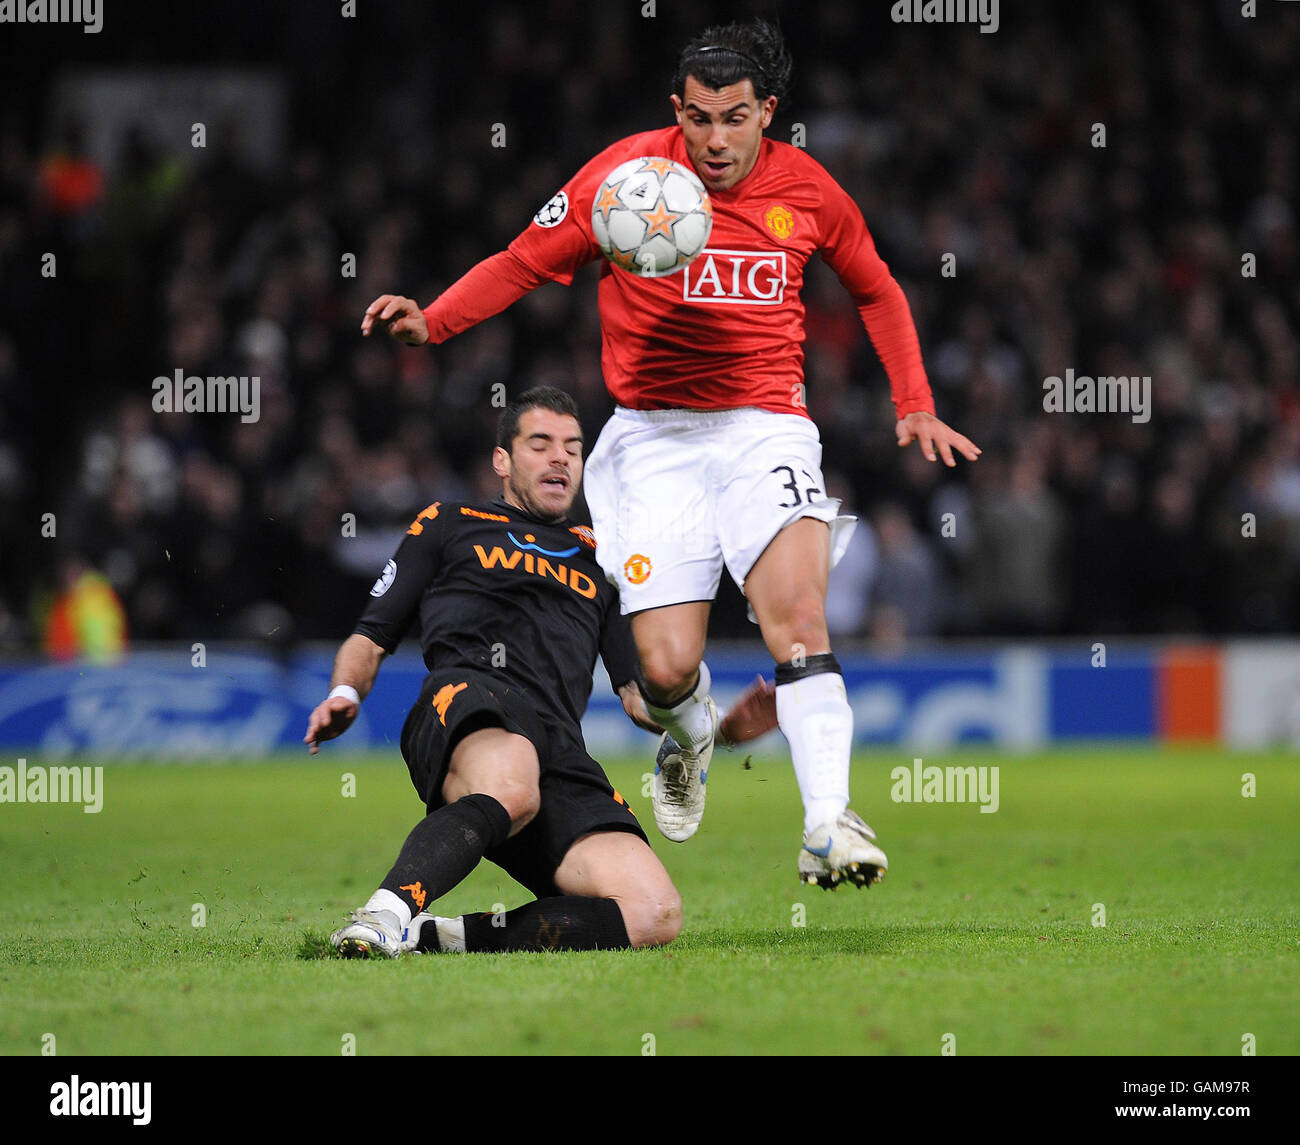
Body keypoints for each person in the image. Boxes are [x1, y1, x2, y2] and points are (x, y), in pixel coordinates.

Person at [359, 19, 980, 889]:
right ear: (675, 111)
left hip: (766, 425)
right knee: (663, 669)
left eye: (733, 119)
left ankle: (826, 822)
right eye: (697, 118)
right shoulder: (625, 181)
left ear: (768, 111)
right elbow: (523, 260)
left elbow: (875, 284)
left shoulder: (807, 191)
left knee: (797, 620)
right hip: (651, 438)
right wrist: (436, 318)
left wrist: (913, 401)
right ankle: (691, 738)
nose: (714, 140)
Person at [306, 386, 773, 956]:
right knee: (511, 778)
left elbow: (637, 696)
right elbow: (372, 633)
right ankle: (382, 914)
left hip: (559, 745)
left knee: (652, 913)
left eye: (573, 449)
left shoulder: (601, 558)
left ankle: (434, 939)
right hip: (471, 699)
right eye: (541, 444)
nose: (561, 458)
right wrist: (345, 690)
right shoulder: (451, 522)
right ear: (502, 460)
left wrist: (714, 729)